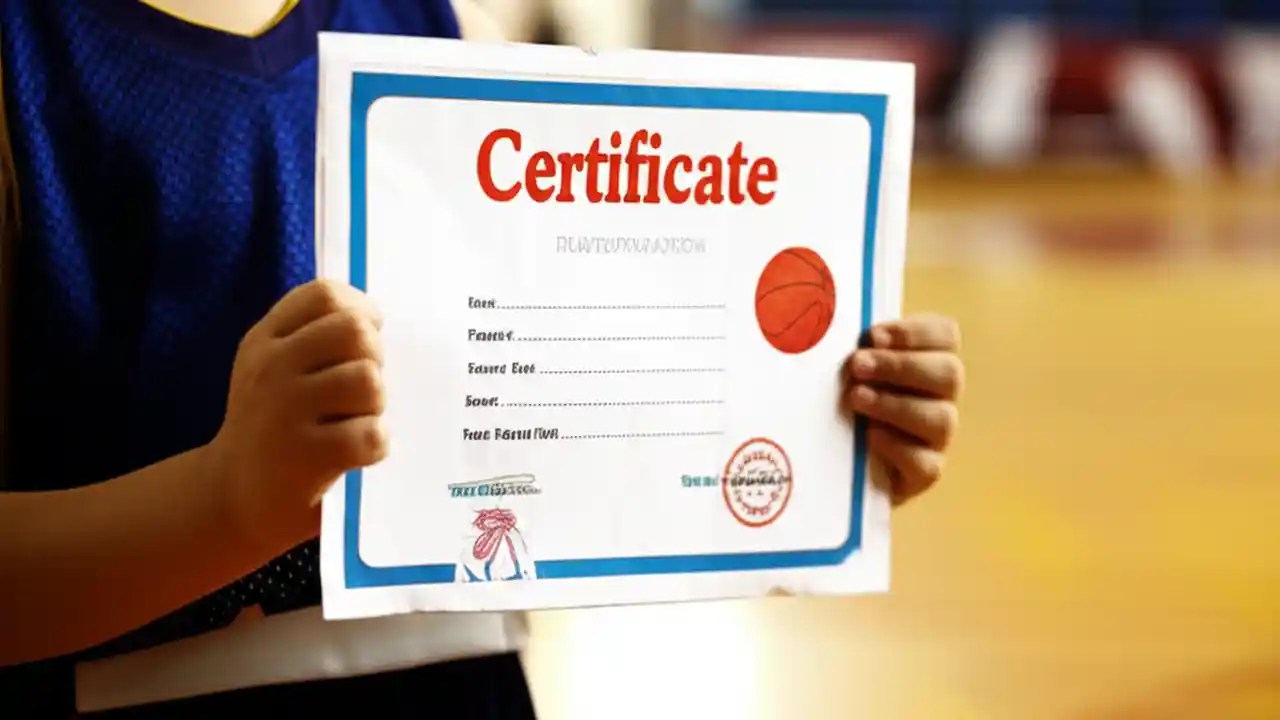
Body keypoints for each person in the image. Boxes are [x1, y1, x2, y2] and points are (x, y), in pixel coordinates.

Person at [0, 0, 964, 716]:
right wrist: (226, 502)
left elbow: (543, 429)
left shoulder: (421, 22)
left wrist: (824, 435)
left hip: (464, 687)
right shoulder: (32, 62)